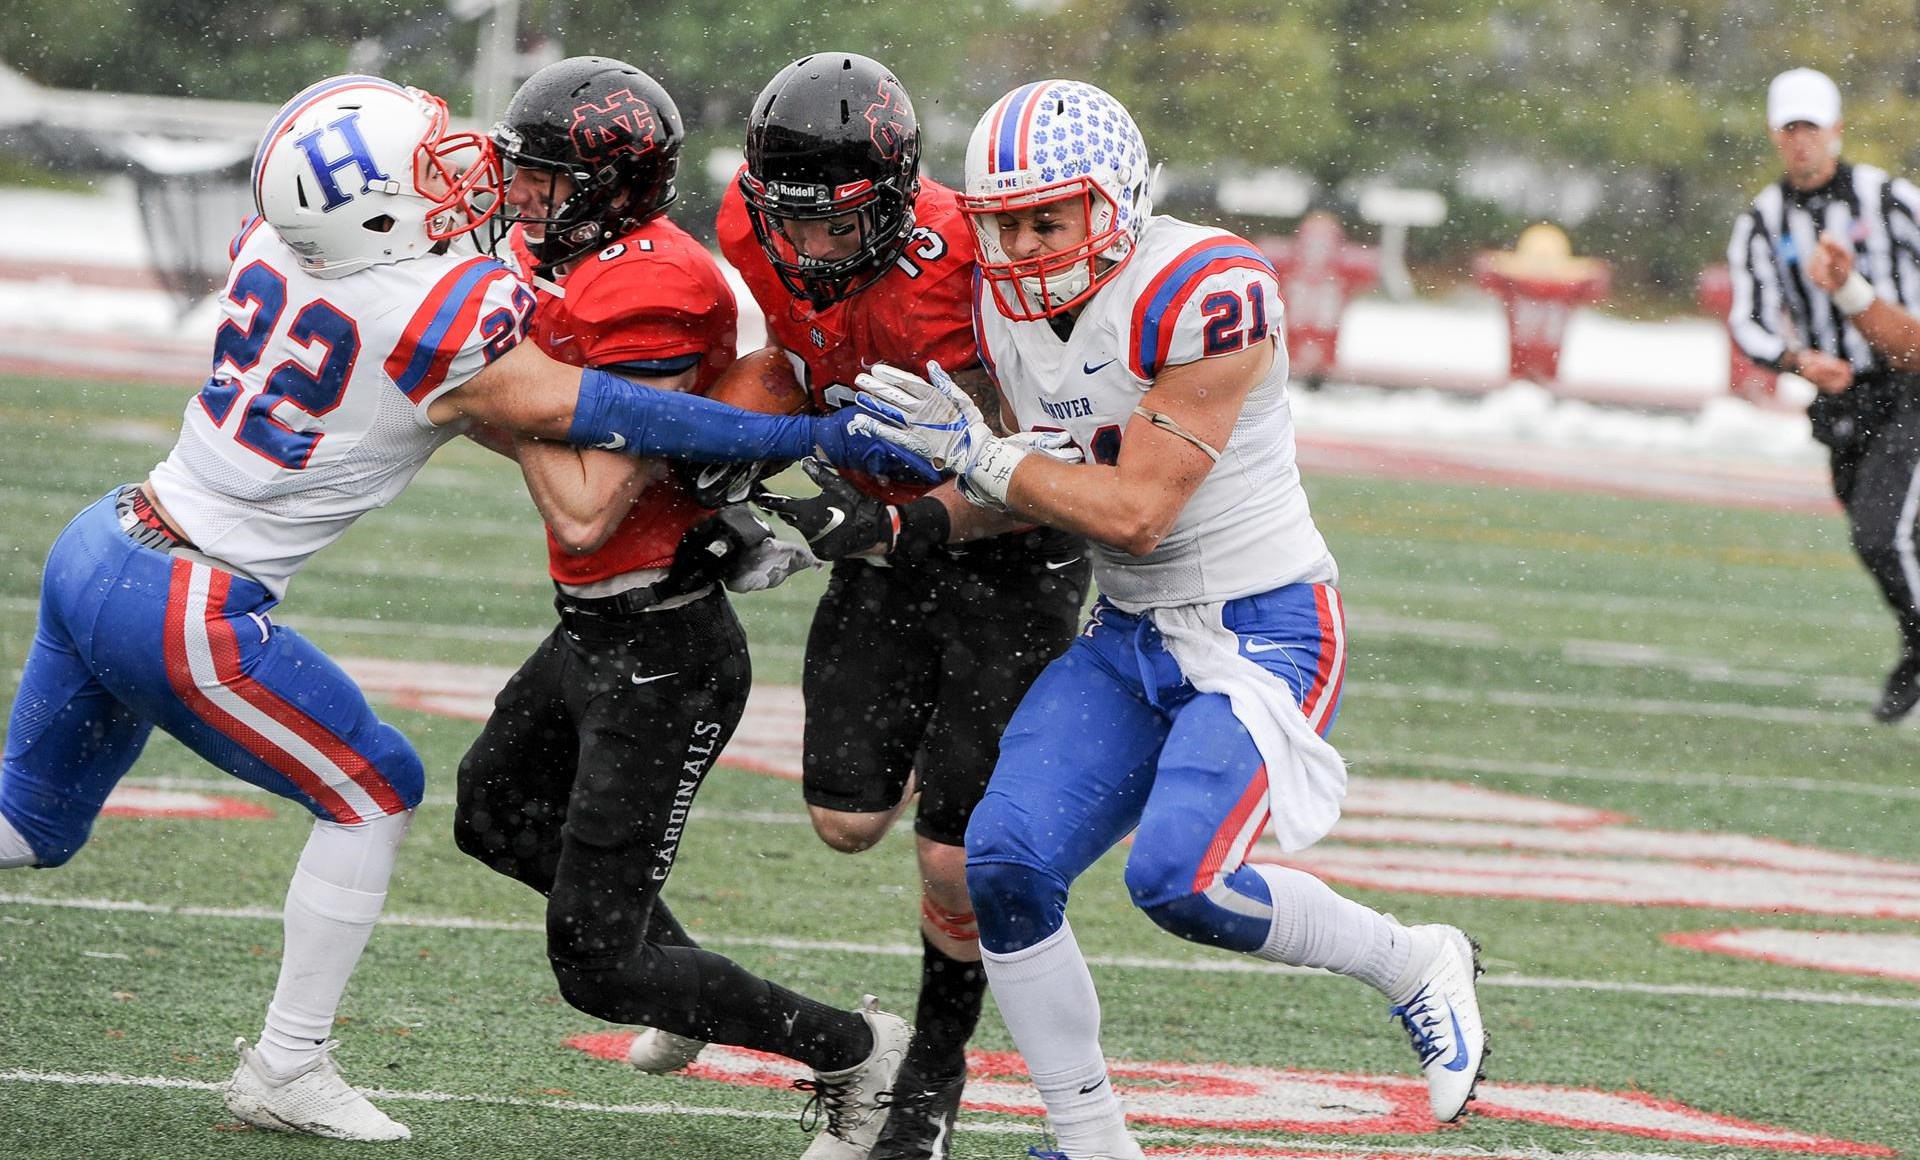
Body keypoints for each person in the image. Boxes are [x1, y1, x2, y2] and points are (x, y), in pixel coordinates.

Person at [0, 73, 930, 1144]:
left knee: (28, 823)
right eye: (428, 170)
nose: (472, 178)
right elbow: (593, 418)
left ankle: (702, 999)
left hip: (105, 537)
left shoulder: (277, 242)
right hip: (184, 598)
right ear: (377, 211)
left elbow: (472, 372)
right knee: (378, 789)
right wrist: (804, 440)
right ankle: (288, 1062)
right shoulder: (436, 307)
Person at [848, 80, 1488, 1159]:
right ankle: (1092, 1141)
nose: (1019, 246)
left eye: (1048, 217)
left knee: (1179, 881)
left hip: (1264, 627)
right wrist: (881, 524)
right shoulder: (1001, 303)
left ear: (1118, 203)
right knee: (1002, 863)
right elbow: (1020, 479)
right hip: (1131, 634)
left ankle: (1414, 957)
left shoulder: (1200, 287)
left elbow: (1134, 510)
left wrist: (987, 457)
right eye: (1002, 221)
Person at [616, 52, 1091, 1160]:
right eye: (793, 223)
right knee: (844, 822)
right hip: (879, 546)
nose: (810, 247)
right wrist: (734, 450)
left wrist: (889, 523)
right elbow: (790, 356)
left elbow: (1030, 468)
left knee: (949, 856)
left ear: (889, 204)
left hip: (1006, 556)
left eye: (836, 226)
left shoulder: (969, 267)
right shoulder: (752, 221)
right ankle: (956, 767)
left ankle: (929, 1073)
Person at [449, 57, 912, 1160]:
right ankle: (685, 985)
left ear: (612, 189)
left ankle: (857, 1050)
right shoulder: (559, 251)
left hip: (663, 642)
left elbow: (588, 509)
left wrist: (481, 385)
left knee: (595, 963)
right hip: (598, 629)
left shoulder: (656, 284)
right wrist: (505, 389)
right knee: (493, 810)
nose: (521, 197)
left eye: (549, 180)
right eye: (522, 173)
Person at [1727, 66, 1920, 723]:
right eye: (1792, 129)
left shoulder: (1887, 197)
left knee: (1880, 533)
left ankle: (1919, 649)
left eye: (1813, 127)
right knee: (1886, 533)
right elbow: (1747, 317)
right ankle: (1916, 642)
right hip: (1840, 397)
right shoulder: (1763, 217)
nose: (1803, 141)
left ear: (1837, 130)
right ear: (1776, 135)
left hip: (1910, 380)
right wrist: (1797, 359)